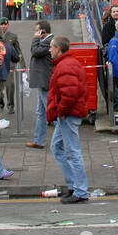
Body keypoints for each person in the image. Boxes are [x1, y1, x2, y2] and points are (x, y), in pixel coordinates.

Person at [47, 35, 91, 204]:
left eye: (51, 47)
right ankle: (74, 184)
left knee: (73, 152)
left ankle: (80, 190)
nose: (49, 50)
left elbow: (70, 93)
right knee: (56, 146)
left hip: (68, 114)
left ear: (58, 48)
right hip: (66, 113)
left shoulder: (65, 66)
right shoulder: (67, 64)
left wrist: (61, 110)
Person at [26, 19, 54, 150]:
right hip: (41, 82)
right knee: (41, 113)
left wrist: (35, 39)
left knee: (52, 111)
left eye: (37, 30)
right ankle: (39, 140)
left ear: (43, 30)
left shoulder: (48, 41)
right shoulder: (45, 41)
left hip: (45, 81)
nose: (35, 32)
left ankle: (64, 140)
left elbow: (35, 51)